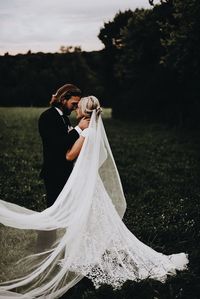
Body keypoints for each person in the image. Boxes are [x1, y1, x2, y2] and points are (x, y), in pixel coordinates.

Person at [0, 96, 188, 298]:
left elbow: (69, 156)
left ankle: (84, 256)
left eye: (79, 107)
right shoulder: (92, 129)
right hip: (87, 180)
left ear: (85, 111)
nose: (76, 109)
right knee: (91, 219)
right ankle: (83, 254)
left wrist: (77, 132)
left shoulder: (88, 130)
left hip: (82, 181)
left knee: (88, 218)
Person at [38, 83, 89, 208]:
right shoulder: (47, 117)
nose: (75, 108)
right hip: (54, 172)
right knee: (53, 208)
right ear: (63, 100)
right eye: (74, 104)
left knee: (64, 209)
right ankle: (48, 228)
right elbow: (57, 145)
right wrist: (79, 129)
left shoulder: (65, 118)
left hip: (66, 171)